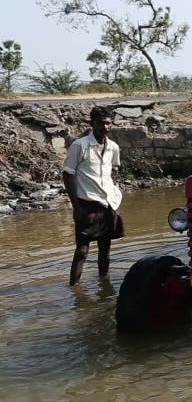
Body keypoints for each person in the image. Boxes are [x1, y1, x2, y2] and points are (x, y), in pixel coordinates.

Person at [63, 106, 124, 285]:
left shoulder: (113, 147)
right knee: (82, 251)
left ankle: (104, 284)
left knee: (105, 249)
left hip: (108, 203)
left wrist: (115, 194)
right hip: (86, 203)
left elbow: (112, 171)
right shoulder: (79, 145)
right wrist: (76, 206)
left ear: (111, 125)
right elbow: (68, 174)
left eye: (107, 123)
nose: (104, 127)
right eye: (100, 123)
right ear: (92, 124)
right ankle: (74, 290)